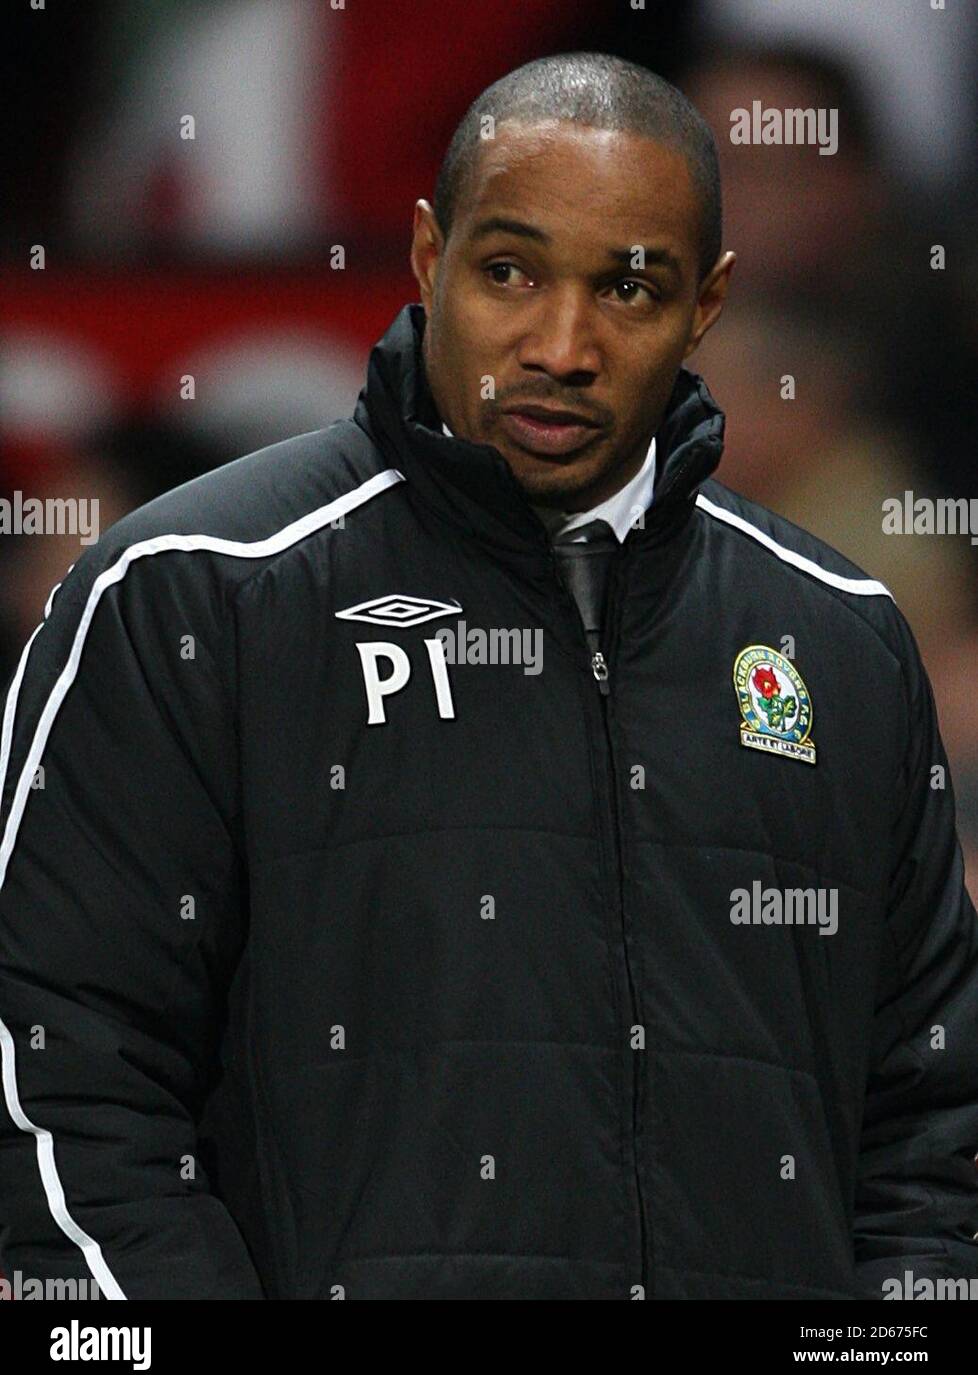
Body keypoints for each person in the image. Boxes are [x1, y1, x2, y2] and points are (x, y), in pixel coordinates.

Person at [1, 52, 976, 1302]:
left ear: (707, 304)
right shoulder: (194, 592)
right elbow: (62, 1082)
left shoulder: (838, 639)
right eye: (511, 271)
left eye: (628, 286)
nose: (561, 346)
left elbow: (929, 1133)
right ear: (428, 257)